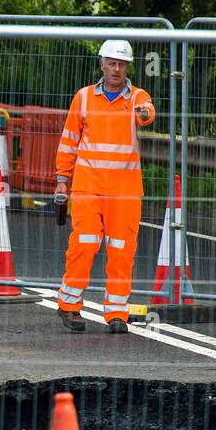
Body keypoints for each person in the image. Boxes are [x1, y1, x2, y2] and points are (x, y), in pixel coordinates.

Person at [53, 39, 155, 333]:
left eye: (122, 64)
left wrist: (145, 113)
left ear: (128, 67)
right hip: (88, 187)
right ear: (102, 64)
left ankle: (117, 313)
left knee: (122, 251)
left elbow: (147, 113)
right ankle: (69, 305)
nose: (117, 69)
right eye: (112, 63)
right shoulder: (84, 97)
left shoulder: (137, 97)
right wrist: (62, 180)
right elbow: (69, 140)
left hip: (125, 192)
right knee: (83, 245)